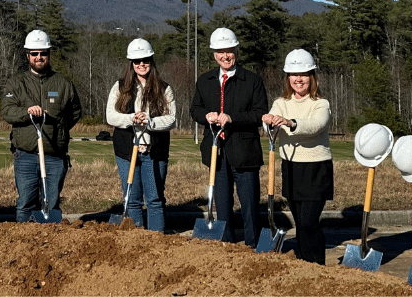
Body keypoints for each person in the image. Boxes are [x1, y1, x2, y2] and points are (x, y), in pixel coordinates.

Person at [190, 27, 267, 247]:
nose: (225, 56)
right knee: (222, 204)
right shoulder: (205, 81)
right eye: (220, 52)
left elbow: (260, 113)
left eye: (229, 51)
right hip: (216, 152)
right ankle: (227, 246)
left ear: (236, 50)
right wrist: (207, 116)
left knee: (250, 205)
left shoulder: (252, 80)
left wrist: (232, 119)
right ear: (214, 54)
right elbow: (194, 109)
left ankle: (254, 246)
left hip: (245, 152)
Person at [0, 30, 82, 222]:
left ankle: (50, 244)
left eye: (43, 53)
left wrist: (59, 129)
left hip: (54, 155)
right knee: (25, 203)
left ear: (49, 54)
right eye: (34, 53)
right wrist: (27, 112)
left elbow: (75, 112)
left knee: (51, 203)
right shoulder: (16, 83)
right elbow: (7, 111)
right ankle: (23, 244)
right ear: (27, 55)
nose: (39, 57)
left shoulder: (63, 83)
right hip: (26, 154)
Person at [263, 49, 332, 264]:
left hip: (316, 168)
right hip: (291, 167)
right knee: (300, 223)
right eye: (294, 75)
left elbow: (316, 126)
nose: (299, 79)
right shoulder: (281, 102)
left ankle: (318, 264)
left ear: (312, 77)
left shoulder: (321, 104)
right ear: (288, 78)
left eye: (303, 74)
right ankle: (304, 264)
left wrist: (291, 123)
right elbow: (271, 123)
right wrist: (268, 120)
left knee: (310, 222)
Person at [106, 38, 176, 231]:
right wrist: (131, 119)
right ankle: (135, 242)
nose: (141, 64)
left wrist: (150, 122)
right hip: (127, 151)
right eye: (137, 61)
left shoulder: (164, 88)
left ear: (151, 61)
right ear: (131, 64)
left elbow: (171, 119)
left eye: (145, 60)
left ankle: (155, 240)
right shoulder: (120, 87)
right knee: (132, 198)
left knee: (154, 199)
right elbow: (110, 116)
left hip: (155, 152)